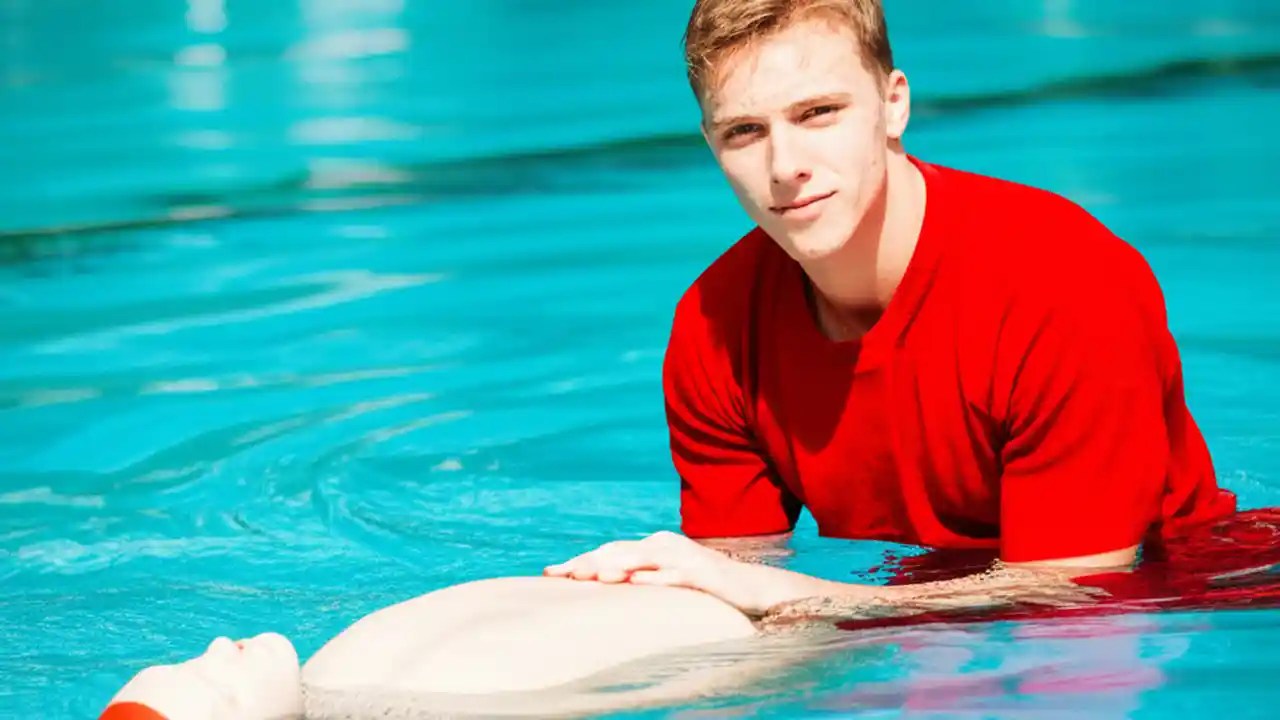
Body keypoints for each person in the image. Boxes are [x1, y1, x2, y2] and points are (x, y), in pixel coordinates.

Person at [544, 0, 1240, 615]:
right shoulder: (714, 324)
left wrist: (796, 596)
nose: (785, 164)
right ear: (711, 145)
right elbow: (736, 579)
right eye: (745, 132)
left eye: (818, 113)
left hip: (1187, 603)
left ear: (894, 103)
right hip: (914, 610)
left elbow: (1076, 597)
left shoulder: (1064, 283)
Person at [99, 576, 785, 720]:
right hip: (781, 626)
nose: (218, 645)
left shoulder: (334, 672)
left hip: (723, 584)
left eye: (188, 661)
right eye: (217, 687)